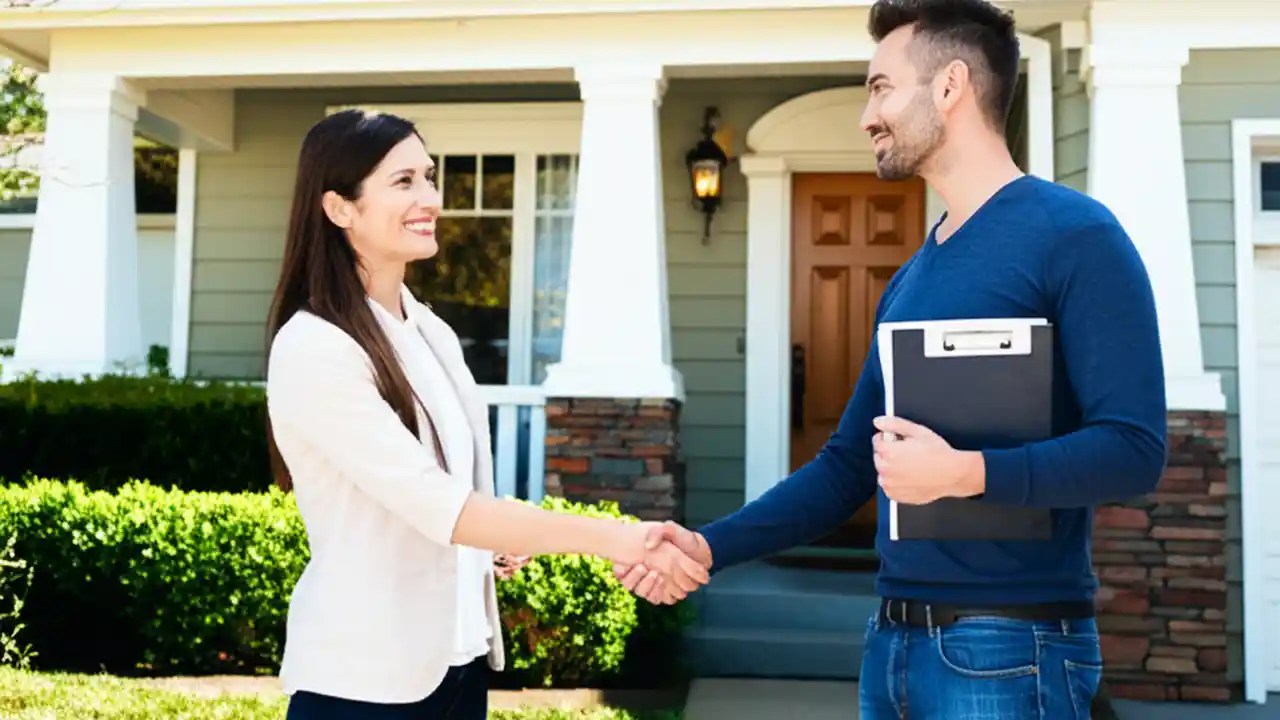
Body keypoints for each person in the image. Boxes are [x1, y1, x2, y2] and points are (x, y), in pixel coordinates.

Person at [617, 0, 1168, 717]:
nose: (866, 115)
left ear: (950, 86)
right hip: (892, 644)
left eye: (880, 87)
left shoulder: (1075, 236)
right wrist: (705, 547)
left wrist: (965, 473)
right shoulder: (914, 278)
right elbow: (848, 465)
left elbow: (1133, 449)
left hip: (1014, 647)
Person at [264, 108, 708, 720]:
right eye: (403, 182)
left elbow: (455, 489)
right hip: (365, 683)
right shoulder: (315, 346)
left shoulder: (430, 331)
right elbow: (438, 506)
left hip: (458, 664)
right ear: (340, 208)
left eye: (429, 176)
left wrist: (493, 543)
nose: (430, 198)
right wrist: (623, 540)